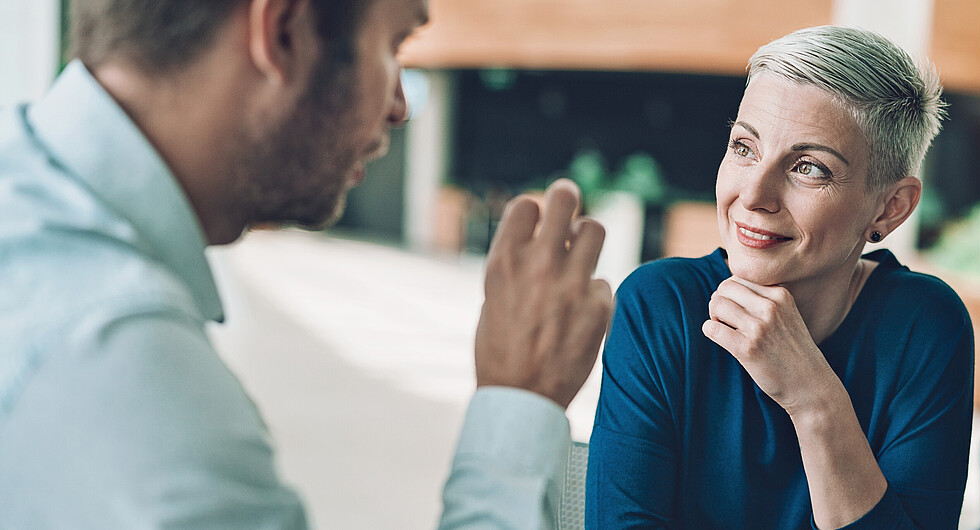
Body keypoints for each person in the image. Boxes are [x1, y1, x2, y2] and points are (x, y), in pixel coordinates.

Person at [0, 0, 612, 528]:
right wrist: (520, 400)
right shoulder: (121, 363)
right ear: (284, 32)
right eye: (393, 43)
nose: (401, 104)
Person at [586, 26, 973, 529]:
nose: (753, 195)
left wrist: (812, 397)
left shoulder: (924, 327)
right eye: (744, 147)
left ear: (889, 208)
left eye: (809, 167)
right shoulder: (660, 306)